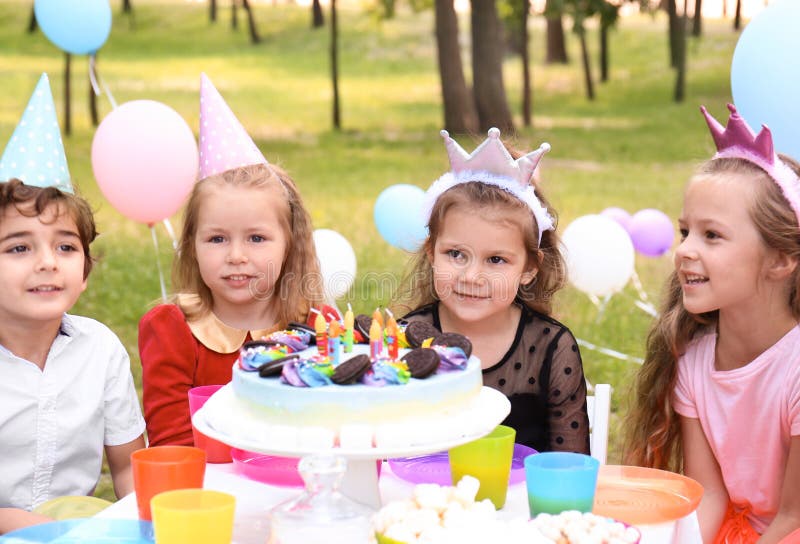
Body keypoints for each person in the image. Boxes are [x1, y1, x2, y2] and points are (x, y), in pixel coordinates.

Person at [624, 104, 800, 543]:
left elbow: (792, 518)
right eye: (685, 231)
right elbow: (711, 497)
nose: (685, 250)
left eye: (712, 235)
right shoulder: (694, 362)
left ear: (780, 260)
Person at [138, 74, 325, 447]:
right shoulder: (174, 331)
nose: (236, 256)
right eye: (217, 239)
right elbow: (171, 441)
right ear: (192, 245)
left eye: (256, 238)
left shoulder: (316, 326)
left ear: (290, 244)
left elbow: (333, 423)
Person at [397, 128, 590, 454]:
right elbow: (388, 455)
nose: (472, 276)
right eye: (455, 254)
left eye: (496, 260)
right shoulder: (404, 338)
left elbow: (570, 466)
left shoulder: (551, 347)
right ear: (431, 253)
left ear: (529, 268)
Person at [0, 180, 146, 533]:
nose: (48, 262)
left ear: (84, 273)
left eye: (65, 247)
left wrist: (143, 522)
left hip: (76, 532)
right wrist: (20, 524)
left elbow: (127, 467)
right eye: (19, 248)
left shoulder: (101, 349)